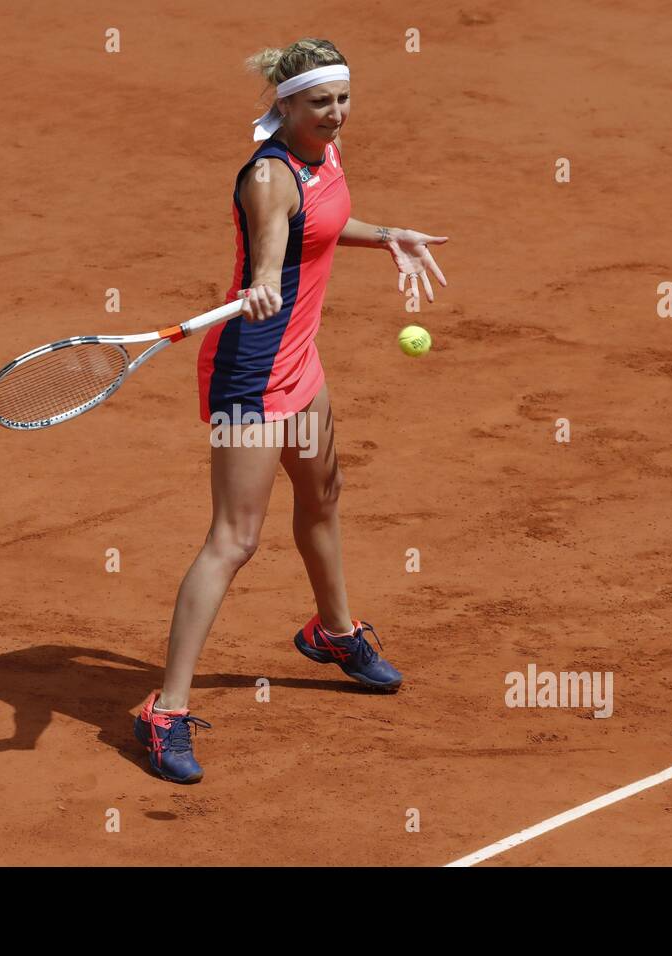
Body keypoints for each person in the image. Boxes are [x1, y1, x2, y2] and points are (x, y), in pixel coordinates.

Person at [134, 38, 449, 783]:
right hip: (251, 374)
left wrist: (387, 237)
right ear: (285, 104)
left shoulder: (322, 153)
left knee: (322, 496)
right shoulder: (271, 175)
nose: (335, 113)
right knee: (234, 540)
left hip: (300, 365)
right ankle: (165, 710)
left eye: (342, 99)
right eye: (320, 102)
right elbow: (275, 238)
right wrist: (265, 281)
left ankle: (333, 633)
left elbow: (327, 223)